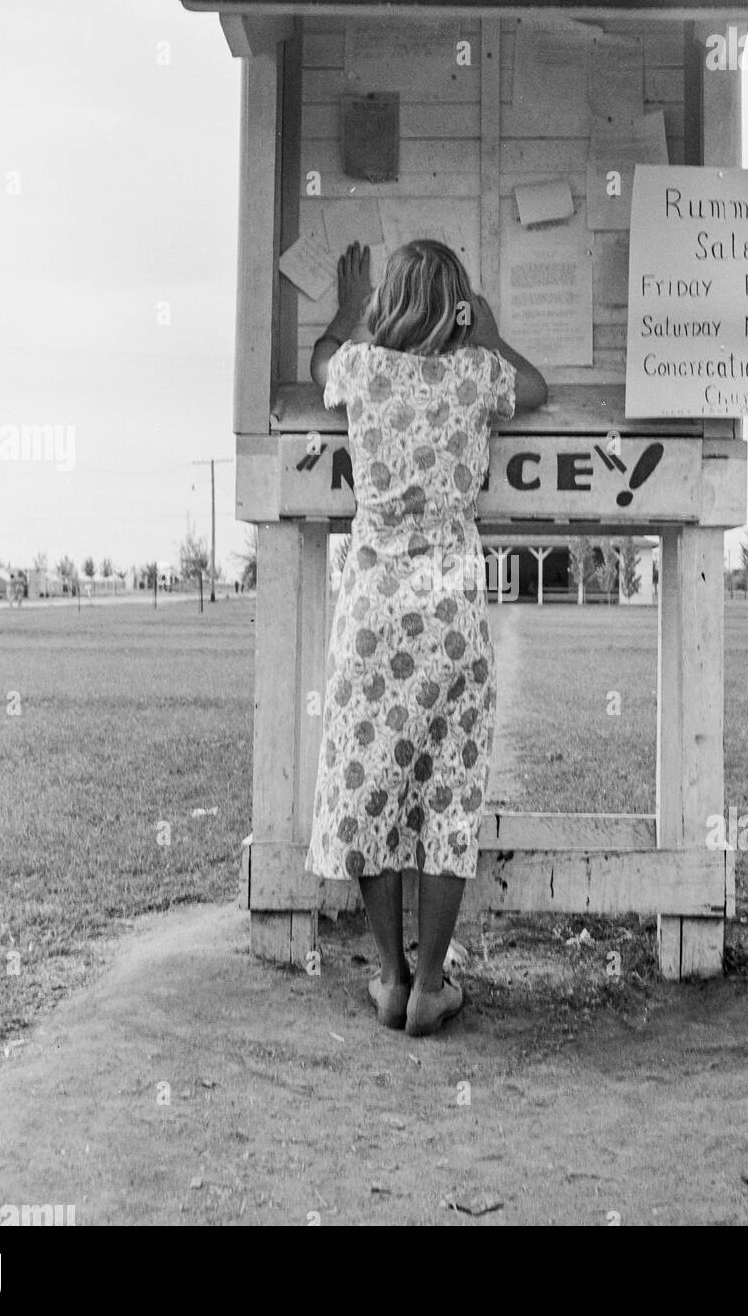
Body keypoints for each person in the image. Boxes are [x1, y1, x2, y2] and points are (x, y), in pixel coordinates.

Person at [305, 239, 547, 1036]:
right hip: (448, 611)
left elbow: (320, 362)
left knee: (370, 783)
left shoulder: (362, 369)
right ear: (456, 307)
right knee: (447, 792)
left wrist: (345, 311)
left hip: (372, 608)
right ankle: (432, 984)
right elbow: (535, 388)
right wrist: (489, 333)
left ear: (389, 302)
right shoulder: (475, 375)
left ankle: (389, 976)